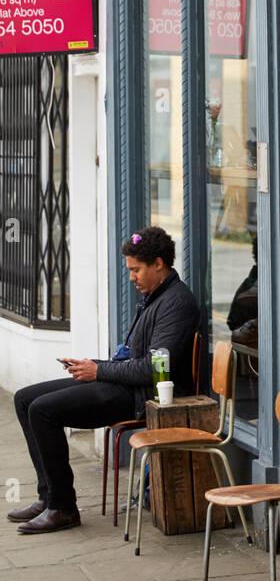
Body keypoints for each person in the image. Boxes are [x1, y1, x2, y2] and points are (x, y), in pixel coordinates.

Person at [9, 226, 199, 535]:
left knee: (42, 410)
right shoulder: (157, 296)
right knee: (24, 398)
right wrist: (94, 365)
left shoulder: (177, 303)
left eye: (136, 270)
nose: (131, 277)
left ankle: (63, 507)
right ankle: (48, 497)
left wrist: (98, 370)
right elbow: (135, 361)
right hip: (124, 385)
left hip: (143, 398)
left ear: (159, 264)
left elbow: (153, 370)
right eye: (129, 270)